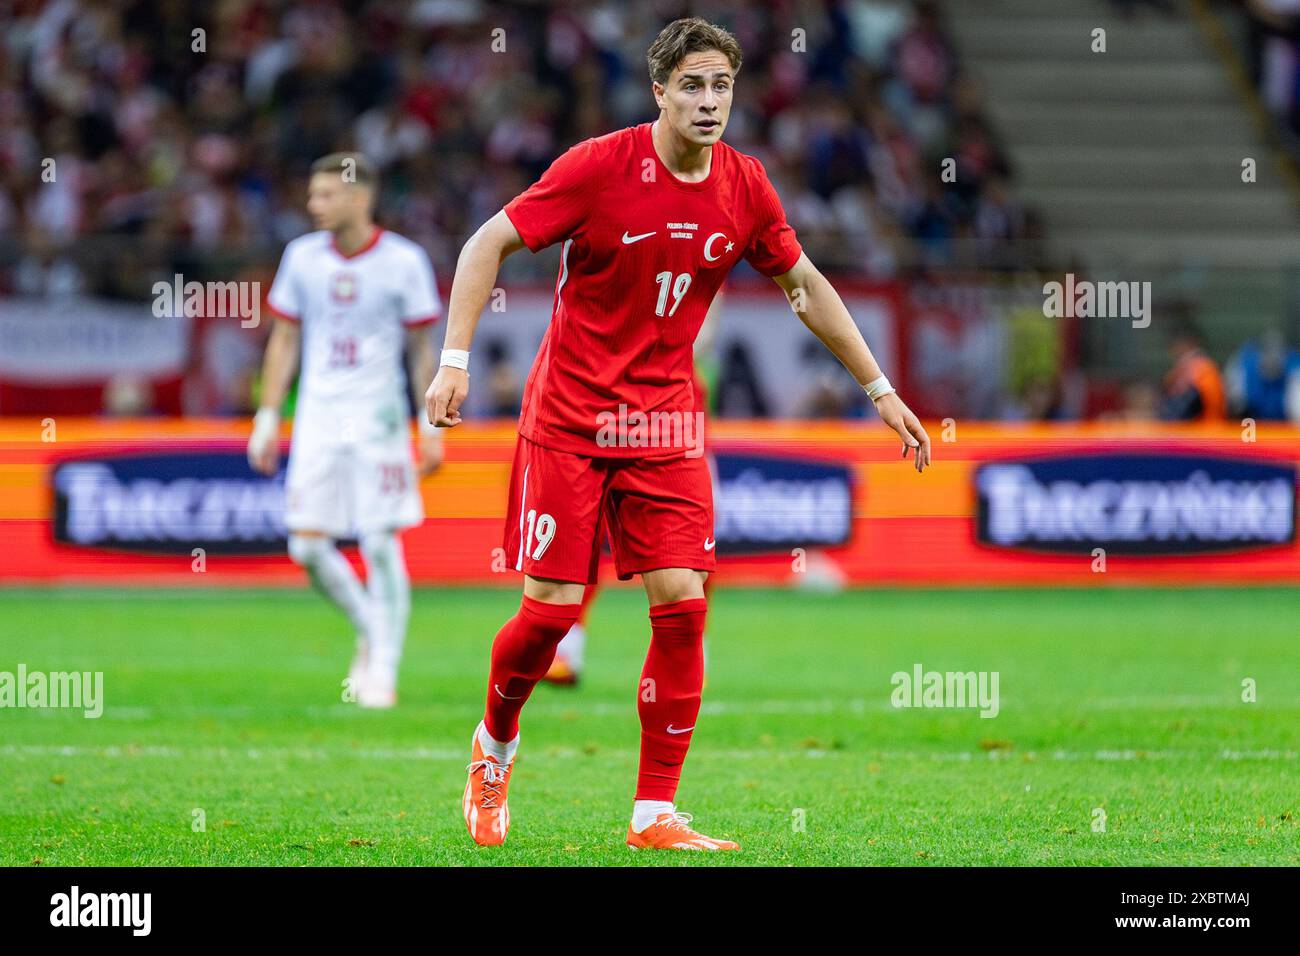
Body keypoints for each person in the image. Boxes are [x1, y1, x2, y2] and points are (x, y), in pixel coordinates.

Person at [427, 18, 930, 852]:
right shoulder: (597, 168)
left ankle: (653, 813)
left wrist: (877, 387)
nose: (708, 102)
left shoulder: (744, 184)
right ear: (658, 91)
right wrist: (453, 361)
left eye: (721, 87)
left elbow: (803, 285)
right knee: (550, 615)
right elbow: (488, 243)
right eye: (691, 86)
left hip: (665, 420)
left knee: (684, 608)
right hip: (571, 419)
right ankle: (494, 747)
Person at [248, 152, 443, 709]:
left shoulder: (404, 261)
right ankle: (370, 627)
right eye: (313, 194)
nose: (314, 205)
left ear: (360, 197)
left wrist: (430, 428)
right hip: (317, 418)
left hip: (379, 420)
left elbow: (420, 349)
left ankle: (382, 668)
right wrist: (267, 417)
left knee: (381, 541)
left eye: (326, 194)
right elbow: (284, 339)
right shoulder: (301, 258)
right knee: (306, 547)